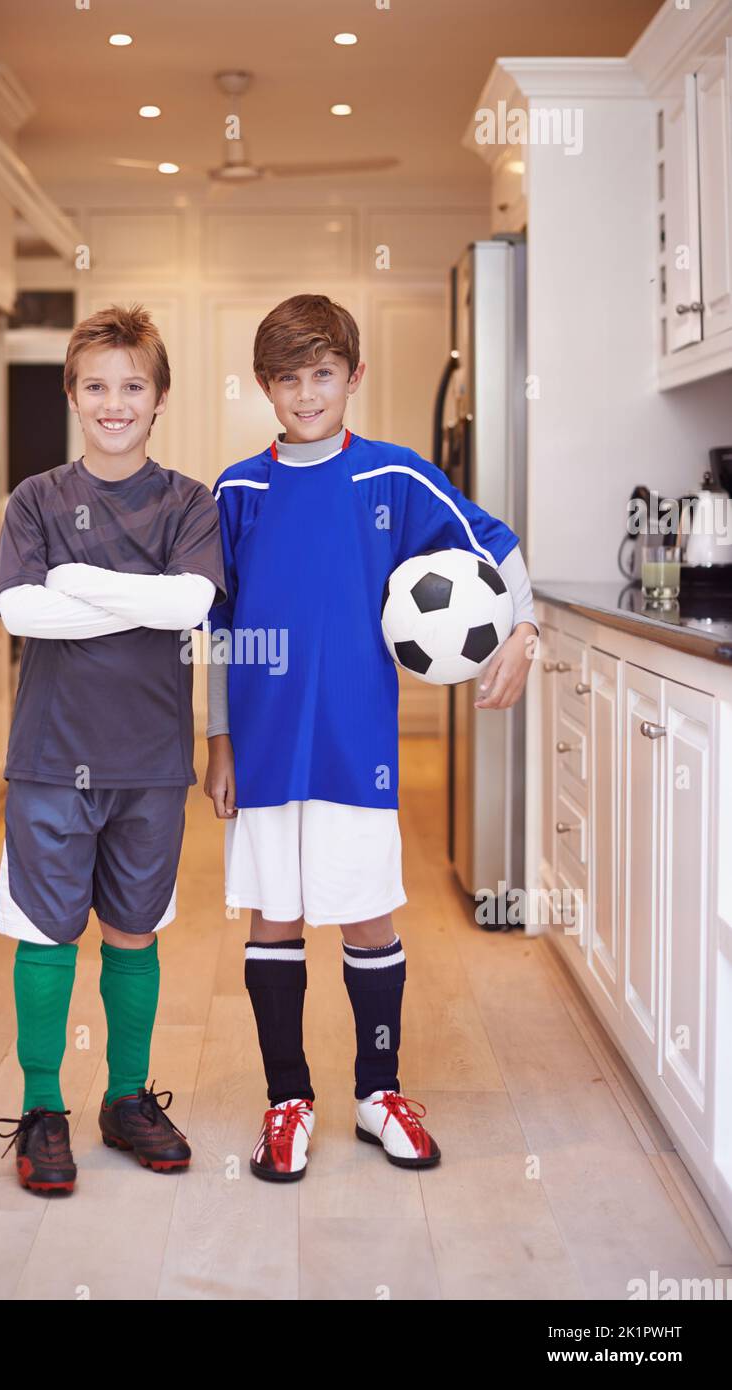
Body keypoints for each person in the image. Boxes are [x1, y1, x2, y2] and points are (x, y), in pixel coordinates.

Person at [203, 294, 538, 1181]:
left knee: (364, 915)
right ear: (263, 386)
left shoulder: (394, 479)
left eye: (323, 375)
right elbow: (219, 625)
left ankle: (375, 1092)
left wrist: (525, 631)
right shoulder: (237, 490)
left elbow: (494, 544)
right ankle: (286, 1101)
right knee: (274, 919)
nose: (306, 394)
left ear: (354, 377)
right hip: (267, 749)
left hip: (359, 749)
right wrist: (219, 742)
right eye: (287, 379)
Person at [0, 304, 225, 1193]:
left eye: (133, 385)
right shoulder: (37, 499)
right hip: (51, 757)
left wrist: (76, 580)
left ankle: (126, 1099)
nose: (114, 402)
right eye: (97, 386)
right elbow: (20, 611)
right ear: (73, 395)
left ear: (159, 396)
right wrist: (140, 592)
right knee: (47, 932)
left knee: (132, 933)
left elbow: (189, 606)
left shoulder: (188, 501)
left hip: (151, 764)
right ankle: (43, 1108)